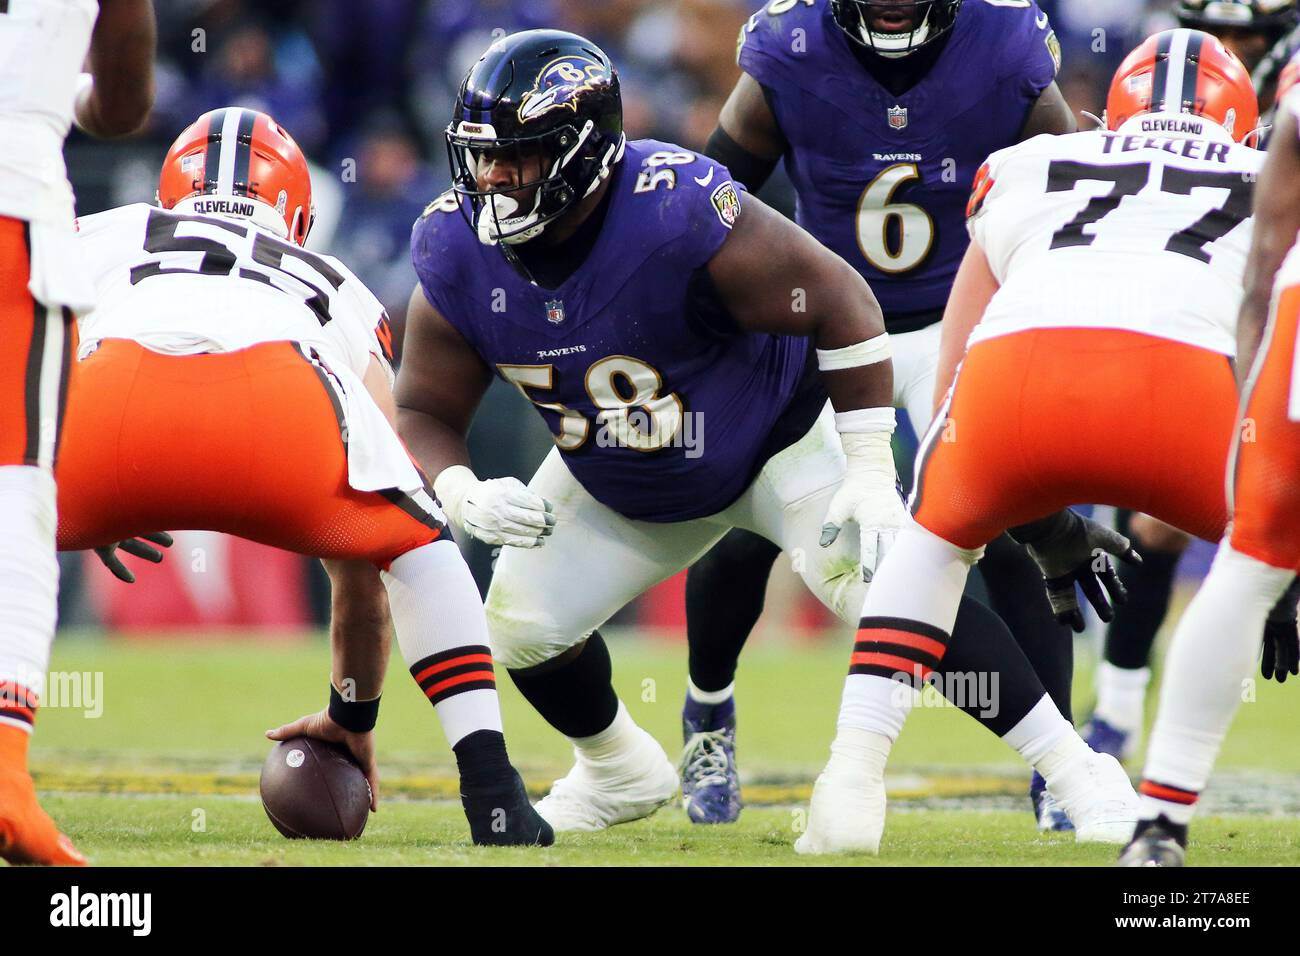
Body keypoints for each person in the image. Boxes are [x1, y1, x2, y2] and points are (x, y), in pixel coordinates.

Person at [401, 28, 1131, 838]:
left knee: (894, 586)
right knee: (521, 625)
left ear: (583, 151)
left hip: (774, 447)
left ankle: (1077, 770)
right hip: (615, 475)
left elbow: (842, 301)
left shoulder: (671, 207)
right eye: (481, 157)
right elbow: (423, 408)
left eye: (518, 157)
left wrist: (866, 467)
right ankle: (618, 770)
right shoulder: (454, 246)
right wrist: (458, 490)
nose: (492, 179)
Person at [798, 28, 1266, 855]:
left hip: (1019, 382)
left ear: (1109, 117)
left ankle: (849, 785)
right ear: (1243, 127)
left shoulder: (1032, 164)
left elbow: (955, 367)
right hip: (1188, 395)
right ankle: (1162, 808)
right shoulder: (1269, 179)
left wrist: (1006, 508)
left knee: (932, 543)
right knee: (1253, 576)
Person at [54, 108, 552, 850]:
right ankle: (491, 789)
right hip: (277, 399)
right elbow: (366, 558)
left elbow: (28, 336)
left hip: (107, 403)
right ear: (296, 210)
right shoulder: (331, 279)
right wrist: (352, 716)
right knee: (417, 541)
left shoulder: (109, 230)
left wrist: (68, 481)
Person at [681, 0, 1084, 827]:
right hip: (826, 323)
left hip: (956, 320)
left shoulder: (1005, 42)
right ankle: (707, 716)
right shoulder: (789, 47)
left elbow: (1071, 203)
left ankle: (1061, 764)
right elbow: (707, 204)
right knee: (748, 528)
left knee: (1014, 525)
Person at [1086, 0, 1300, 766]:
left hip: (1279, 325)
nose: (1232, 46)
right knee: (1156, 524)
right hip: (1201, 328)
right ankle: (1115, 712)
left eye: (1249, 34)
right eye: (1220, 32)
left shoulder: (1286, 112)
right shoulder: (1161, 89)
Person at [0, 0, 156, 867]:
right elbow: (125, 100)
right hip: (10, 197)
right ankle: (3, 779)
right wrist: (60, 93)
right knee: (14, 491)